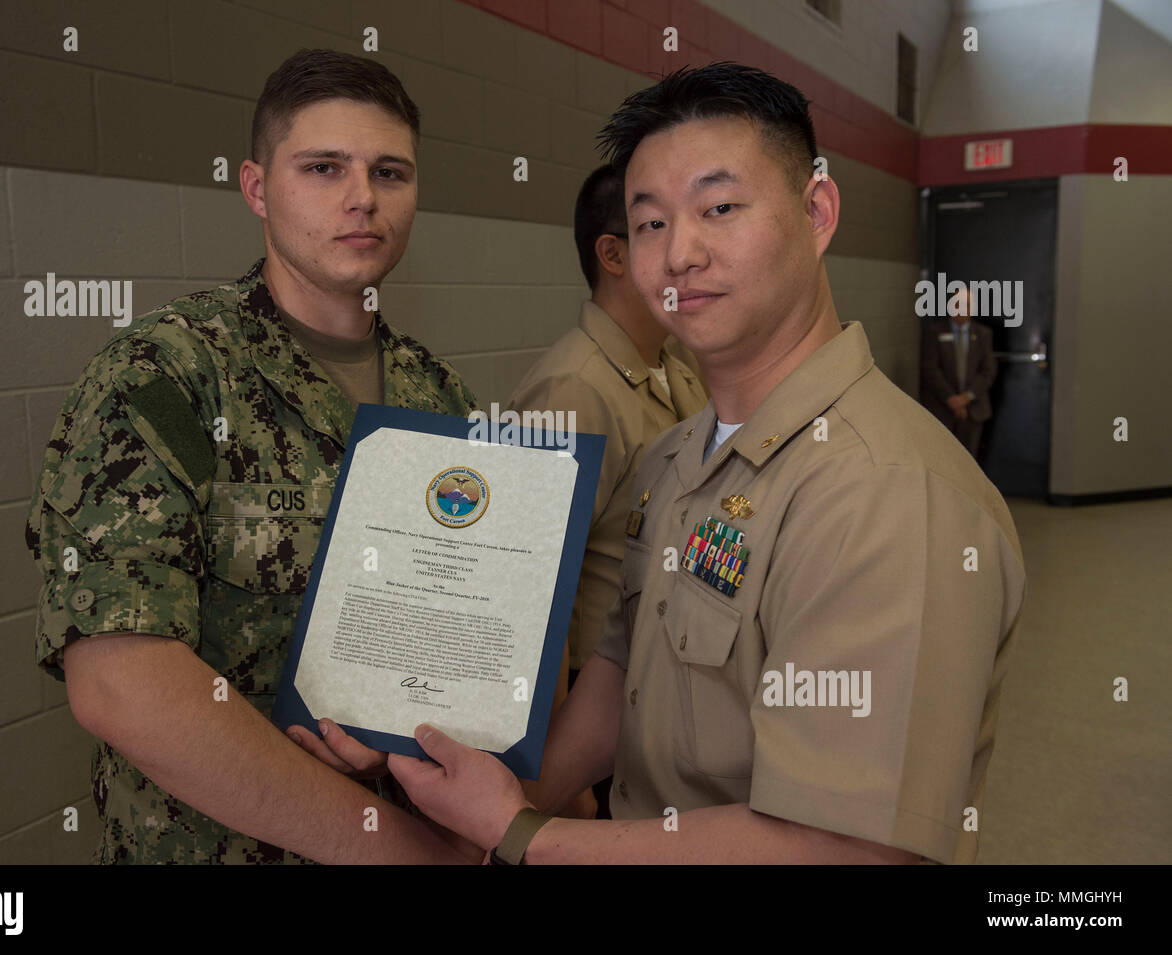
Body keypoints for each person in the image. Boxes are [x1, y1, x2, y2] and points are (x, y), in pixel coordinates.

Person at [356, 63, 1026, 864]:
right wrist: (492, 797)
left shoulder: (888, 494)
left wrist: (522, 832)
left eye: (720, 208)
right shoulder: (679, 454)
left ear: (816, 213)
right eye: (651, 224)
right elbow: (619, 670)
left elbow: (851, 848)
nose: (681, 254)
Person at [25, 49, 481, 864]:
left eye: (390, 172)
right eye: (323, 167)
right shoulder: (167, 377)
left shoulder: (437, 395)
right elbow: (120, 680)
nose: (362, 198)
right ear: (257, 188)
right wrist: (397, 850)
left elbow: (455, 634)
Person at [507, 163, 709, 818]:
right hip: (593, 729)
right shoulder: (573, 390)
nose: (687, 254)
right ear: (613, 253)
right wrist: (553, 782)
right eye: (657, 228)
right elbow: (529, 602)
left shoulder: (676, 370)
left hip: (659, 710)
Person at [921, 287, 998, 461]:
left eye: (967, 305)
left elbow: (988, 371)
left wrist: (966, 398)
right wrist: (951, 399)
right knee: (942, 459)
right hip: (941, 409)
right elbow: (930, 369)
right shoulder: (935, 332)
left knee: (969, 461)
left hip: (974, 409)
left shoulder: (983, 334)